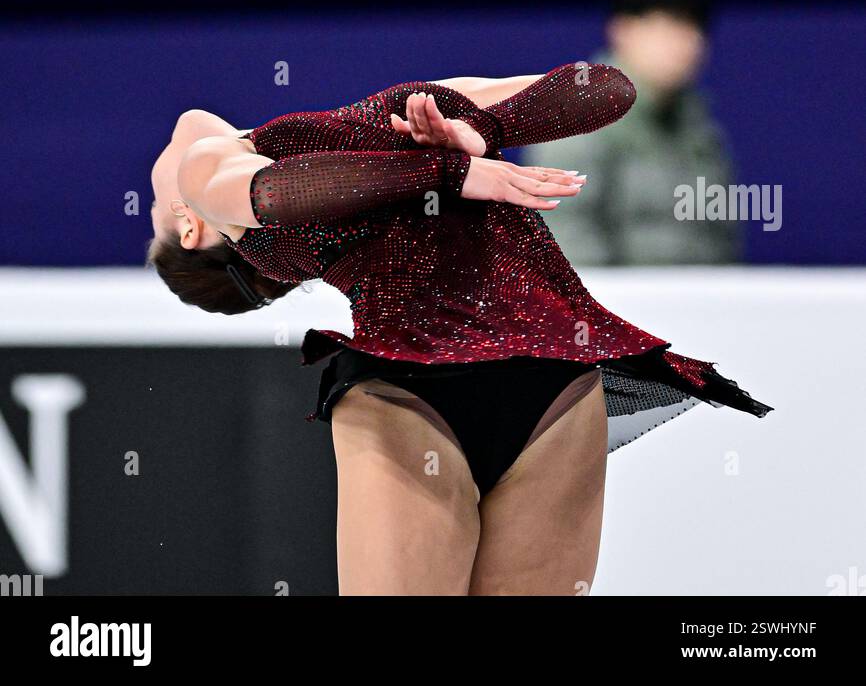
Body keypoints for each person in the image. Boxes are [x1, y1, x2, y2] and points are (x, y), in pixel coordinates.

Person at [148, 64, 769, 596]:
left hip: (552, 380)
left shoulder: (378, 122)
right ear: (191, 227)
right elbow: (275, 193)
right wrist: (450, 172)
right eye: (155, 218)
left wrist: (488, 132)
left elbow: (606, 87)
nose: (151, 202)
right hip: (412, 393)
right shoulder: (210, 185)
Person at [524, 0, 738, 267]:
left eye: (693, 27)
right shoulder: (577, 120)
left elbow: (720, 240)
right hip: (615, 309)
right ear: (622, 31)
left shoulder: (702, 132)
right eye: (666, 26)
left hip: (699, 308)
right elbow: (569, 244)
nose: (685, 42)